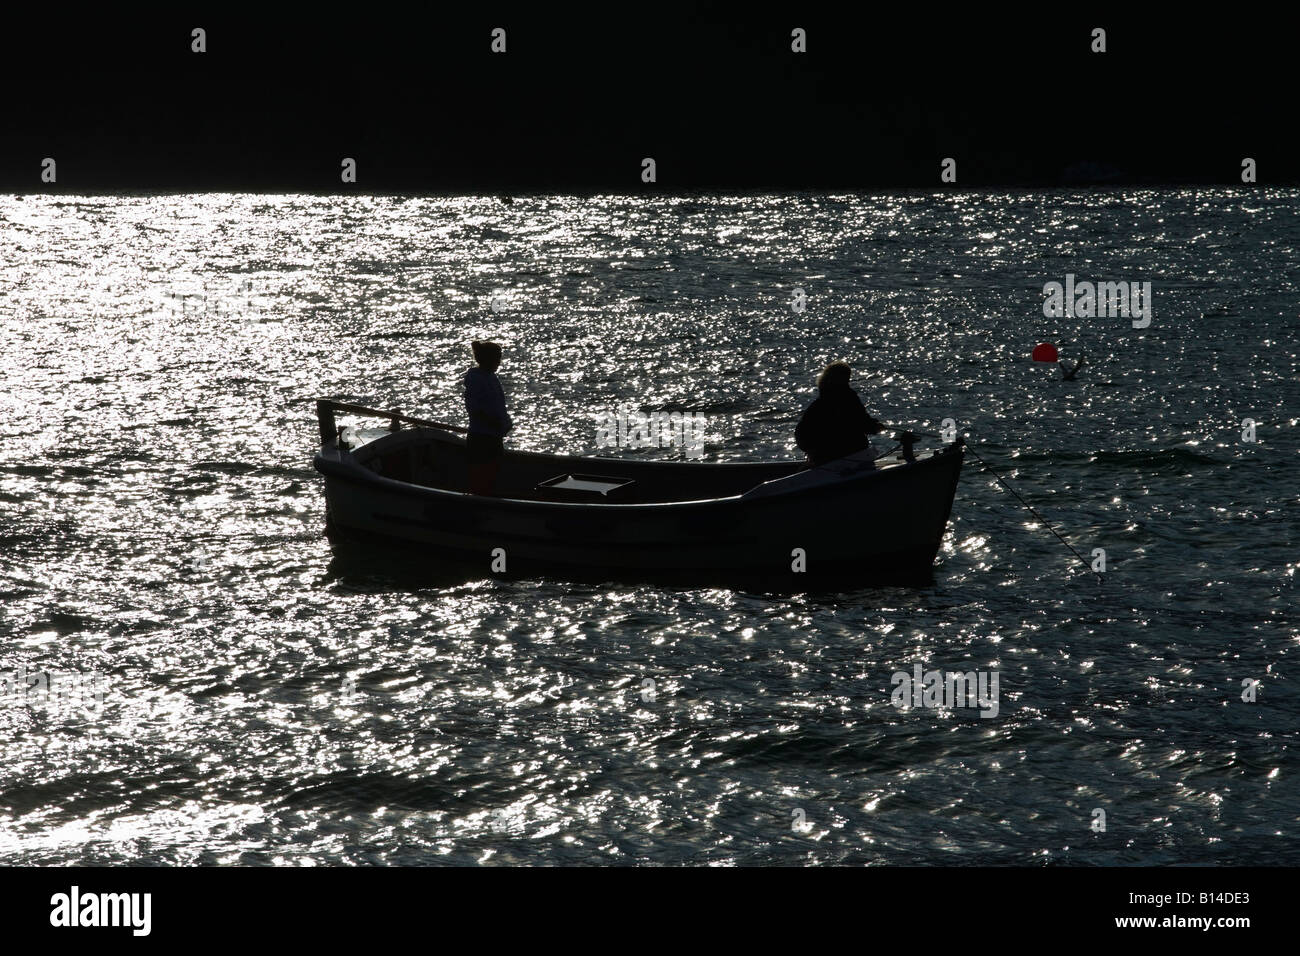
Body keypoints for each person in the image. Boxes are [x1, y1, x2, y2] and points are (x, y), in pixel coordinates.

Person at [795, 360, 885, 466]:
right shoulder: (847, 398)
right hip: (849, 454)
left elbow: (801, 432)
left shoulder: (819, 403)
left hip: (825, 457)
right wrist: (875, 427)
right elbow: (861, 421)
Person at [464, 340, 512, 494]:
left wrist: (505, 422)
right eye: (497, 358)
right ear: (488, 359)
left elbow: (496, 406)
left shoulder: (491, 378)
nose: (499, 361)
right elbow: (475, 408)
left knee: (492, 476)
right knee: (481, 478)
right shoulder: (476, 379)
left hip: (493, 436)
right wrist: (495, 422)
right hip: (482, 437)